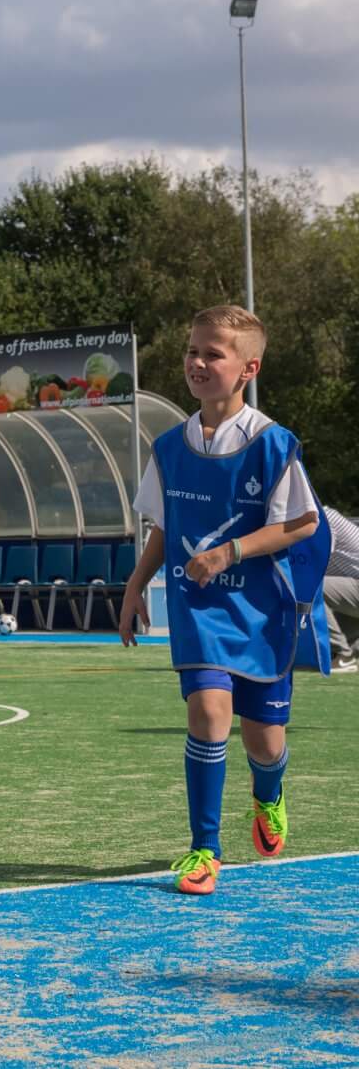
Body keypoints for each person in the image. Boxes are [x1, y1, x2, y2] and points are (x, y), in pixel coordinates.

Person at [119, 305, 328, 895]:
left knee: (265, 742)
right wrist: (137, 585)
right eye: (192, 351)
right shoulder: (168, 447)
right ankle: (204, 850)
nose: (198, 362)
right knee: (209, 712)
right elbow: (164, 525)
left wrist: (229, 553)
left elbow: (303, 524)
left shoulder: (273, 444)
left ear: (247, 369)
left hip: (264, 613)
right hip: (198, 607)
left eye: (214, 353)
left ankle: (269, 794)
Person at [315, 506, 359, 673]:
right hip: (354, 587)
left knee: (313, 589)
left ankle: (343, 656)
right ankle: (348, 652)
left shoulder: (321, 517)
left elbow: (315, 560)